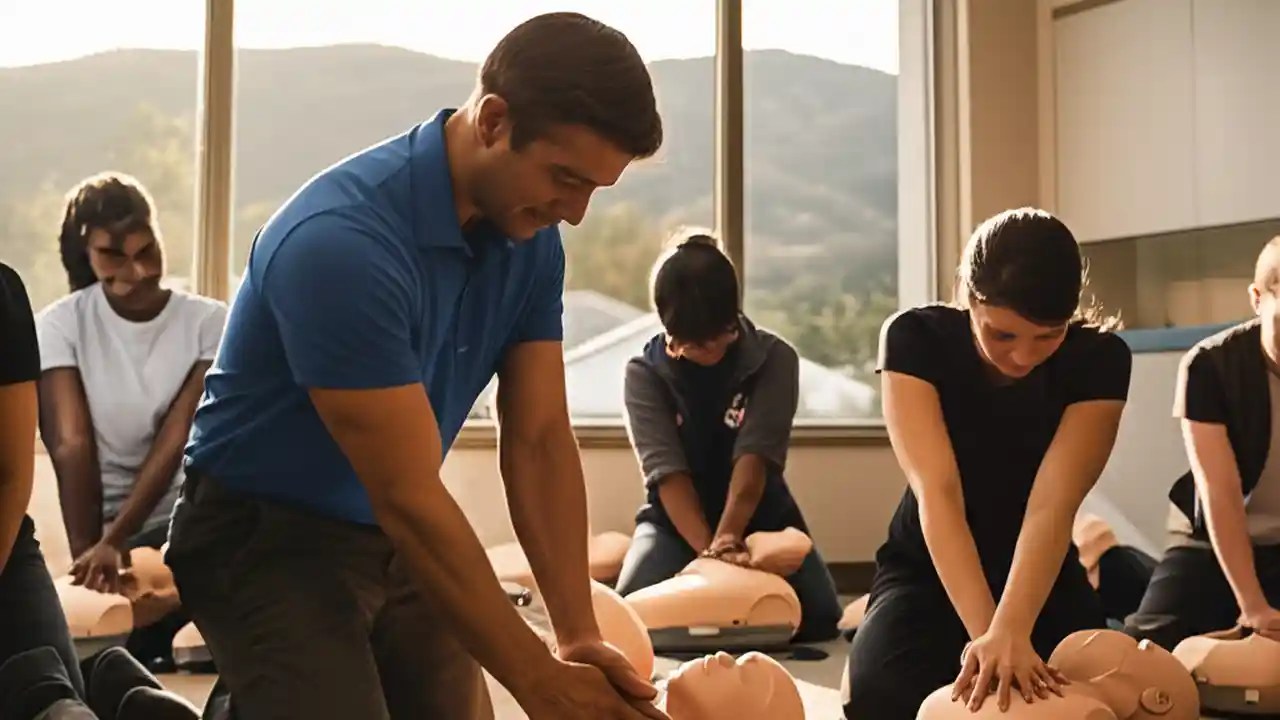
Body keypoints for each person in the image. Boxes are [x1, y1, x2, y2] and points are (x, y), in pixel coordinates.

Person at [164, 12, 668, 720]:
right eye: (564, 178)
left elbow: (540, 437)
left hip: (392, 523)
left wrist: (576, 635)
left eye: (594, 189)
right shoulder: (340, 245)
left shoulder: (531, 238)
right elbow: (405, 493)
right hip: (262, 531)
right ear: (493, 120)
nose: (576, 214)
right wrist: (534, 679)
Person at [842, 208, 1133, 720]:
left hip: (1038, 569)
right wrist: (989, 642)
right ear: (967, 295)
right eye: (1002, 335)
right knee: (880, 700)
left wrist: (1013, 629)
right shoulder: (914, 339)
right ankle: (867, 617)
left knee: (1108, 690)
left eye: (1048, 336)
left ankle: (1099, 559)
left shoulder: (1101, 358)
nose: (1023, 357)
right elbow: (939, 491)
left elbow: (1053, 502)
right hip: (928, 567)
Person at [36, 172, 227, 670]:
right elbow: (70, 443)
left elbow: (180, 436)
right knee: (85, 628)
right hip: (106, 536)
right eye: (114, 256)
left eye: (148, 250)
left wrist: (115, 541)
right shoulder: (61, 324)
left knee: (141, 605)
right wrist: (90, 560)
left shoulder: (210, 322)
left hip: (192, 518)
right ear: (85, 254)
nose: (138, 271)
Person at [616, 232, 842, 643]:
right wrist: (711, 556)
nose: (702, 351)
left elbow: (753, 460)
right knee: (633, 616)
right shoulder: (644, 374)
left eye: (711, 341)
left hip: (763, 518)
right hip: (675, 523)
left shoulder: (774, 359)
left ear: (732, 321)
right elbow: (667, 474)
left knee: (820, 618)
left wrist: (728, 540)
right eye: (689, 345)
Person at [1123, 236, 1280, 650]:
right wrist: (1253, 606)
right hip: (1212, 539)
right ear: (1257, 299)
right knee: (1143, 650)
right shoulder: (1209, 365)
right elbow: (1219, 492)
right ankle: (1114, 562)